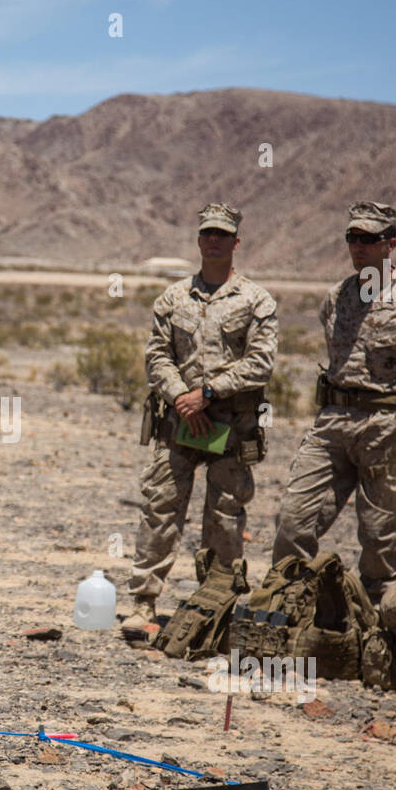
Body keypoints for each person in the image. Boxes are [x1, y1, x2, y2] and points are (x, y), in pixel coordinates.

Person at [272, 202, 396, 603]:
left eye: (369, 240)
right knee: (294, 520)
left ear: (391, 244)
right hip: (332, 423)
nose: (359, 247)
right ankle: (288, 603)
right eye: (352, 238)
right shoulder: (337, 297)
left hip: (385, 428)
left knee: (377, 537)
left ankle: (380, 624)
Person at [123, 203, 278, 629]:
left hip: (231, 426)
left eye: (222, 234)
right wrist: (180, 399)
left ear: (236, 242)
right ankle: (144, 603)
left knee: (226, 516)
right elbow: (157, 356)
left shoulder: (255, 300)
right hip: (179, 424)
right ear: (198, 240)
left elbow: (261, 363)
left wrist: (207, 394)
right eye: (208, 233)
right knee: (160, 508)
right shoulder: (172, 299)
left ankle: (218, 605)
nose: (214, 240)